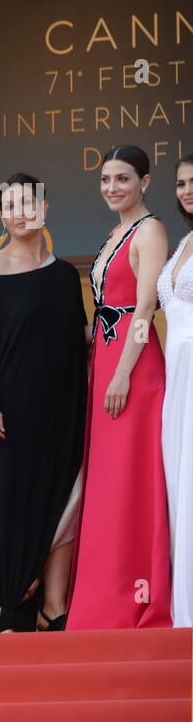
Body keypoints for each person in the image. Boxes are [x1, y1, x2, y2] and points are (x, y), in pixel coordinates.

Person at [0, 174, 88, 632]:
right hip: (6, 416)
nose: (20, 213)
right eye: (10, 205)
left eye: (28, 204)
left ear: (45, 210)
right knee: (6, 503)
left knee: (61, 501)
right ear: (1, 215)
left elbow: (78, 342)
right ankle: (12, 605)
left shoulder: (63, 276)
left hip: (60, 412)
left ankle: (55, 608)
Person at [69, 145, 172, 629]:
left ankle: (134, 597)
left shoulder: (150, 230)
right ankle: (102, 600)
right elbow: (108, 306)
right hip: (108, 361)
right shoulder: (115, 232)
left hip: (134, 363)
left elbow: (144, 308)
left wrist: (124, 371)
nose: (112, 187)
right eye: (106, 178)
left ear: (145, 182)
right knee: (109, 481)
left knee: (132, 476)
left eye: (123, 178)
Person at [163, 155, 193, 628]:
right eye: (182, 183)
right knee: (179, 487)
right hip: (174, 377)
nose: (187, 189)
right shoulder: (184, 240)